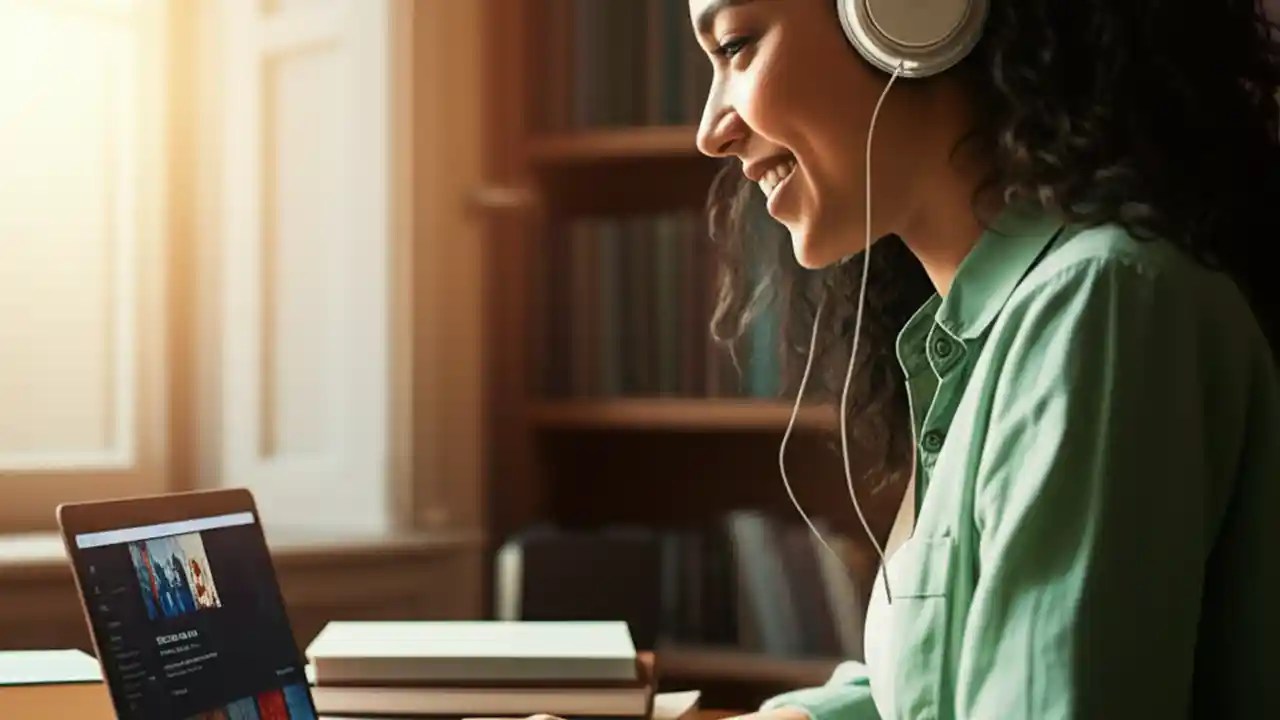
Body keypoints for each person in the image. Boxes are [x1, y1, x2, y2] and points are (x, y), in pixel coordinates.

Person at [687, 0, 1279, 718]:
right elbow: (928, 690)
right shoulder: (1001, 325)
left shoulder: (1097, 304)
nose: (711, 131)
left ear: (906, 15)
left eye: (737, 46)